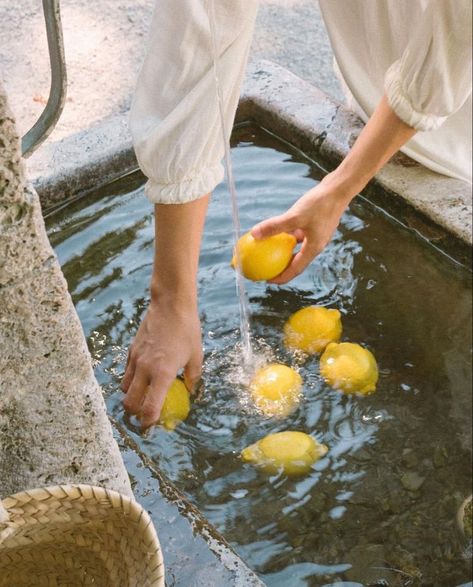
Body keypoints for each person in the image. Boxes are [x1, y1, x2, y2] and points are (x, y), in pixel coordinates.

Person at [122, 0, 472, 429]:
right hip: (383, 113)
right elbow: (197, 40)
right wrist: (171, 297)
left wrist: (342, 186)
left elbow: (454, 45)